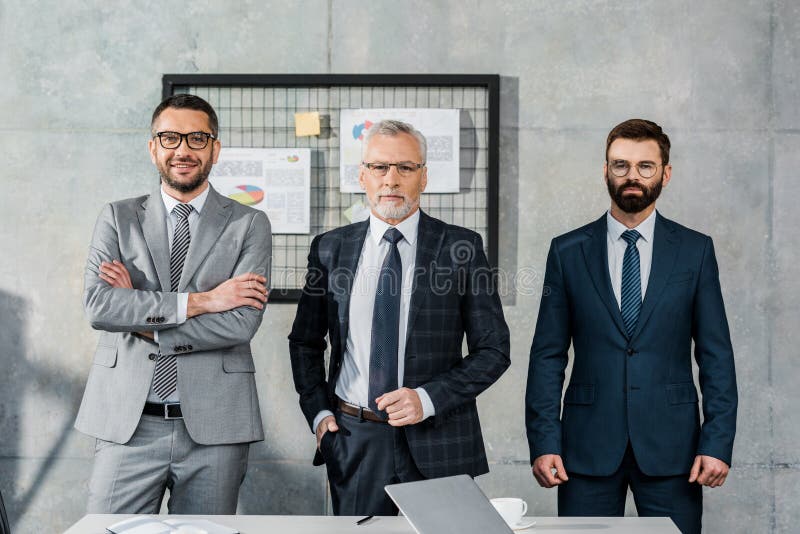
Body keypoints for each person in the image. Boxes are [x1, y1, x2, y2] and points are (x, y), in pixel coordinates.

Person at [525, 118, 737, 533]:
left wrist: (716, 443)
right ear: (605, 171)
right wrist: (545, 442)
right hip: (584, 450)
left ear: (665, 174)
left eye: (645, 166)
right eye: (620, 165)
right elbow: (547, 356)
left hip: (673, 449)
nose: (632, 176)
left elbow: (716, 356)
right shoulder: (567, 252)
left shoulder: (695, 251)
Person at [289, 119, 510, 516]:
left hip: (440, 438)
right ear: (362, 175)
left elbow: (494, 350)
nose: (391, 179)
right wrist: (319, 415)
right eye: (379, 167)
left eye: (405, 168)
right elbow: (305, 342)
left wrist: (427, 399)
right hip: (354, 440)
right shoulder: (330, 249)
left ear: (423, 177)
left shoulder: (461, 247)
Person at [75, 94, 272, 514]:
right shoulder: (117, 217)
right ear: (153, 147)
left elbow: (239, 325)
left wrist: (138, 314)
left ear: (215, 148)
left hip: (215, 427)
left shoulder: (249, 224)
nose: (182, 149)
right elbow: (100, 307)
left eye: (197, 138)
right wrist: (205, 301)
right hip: (127, 422)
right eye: (169, 137)